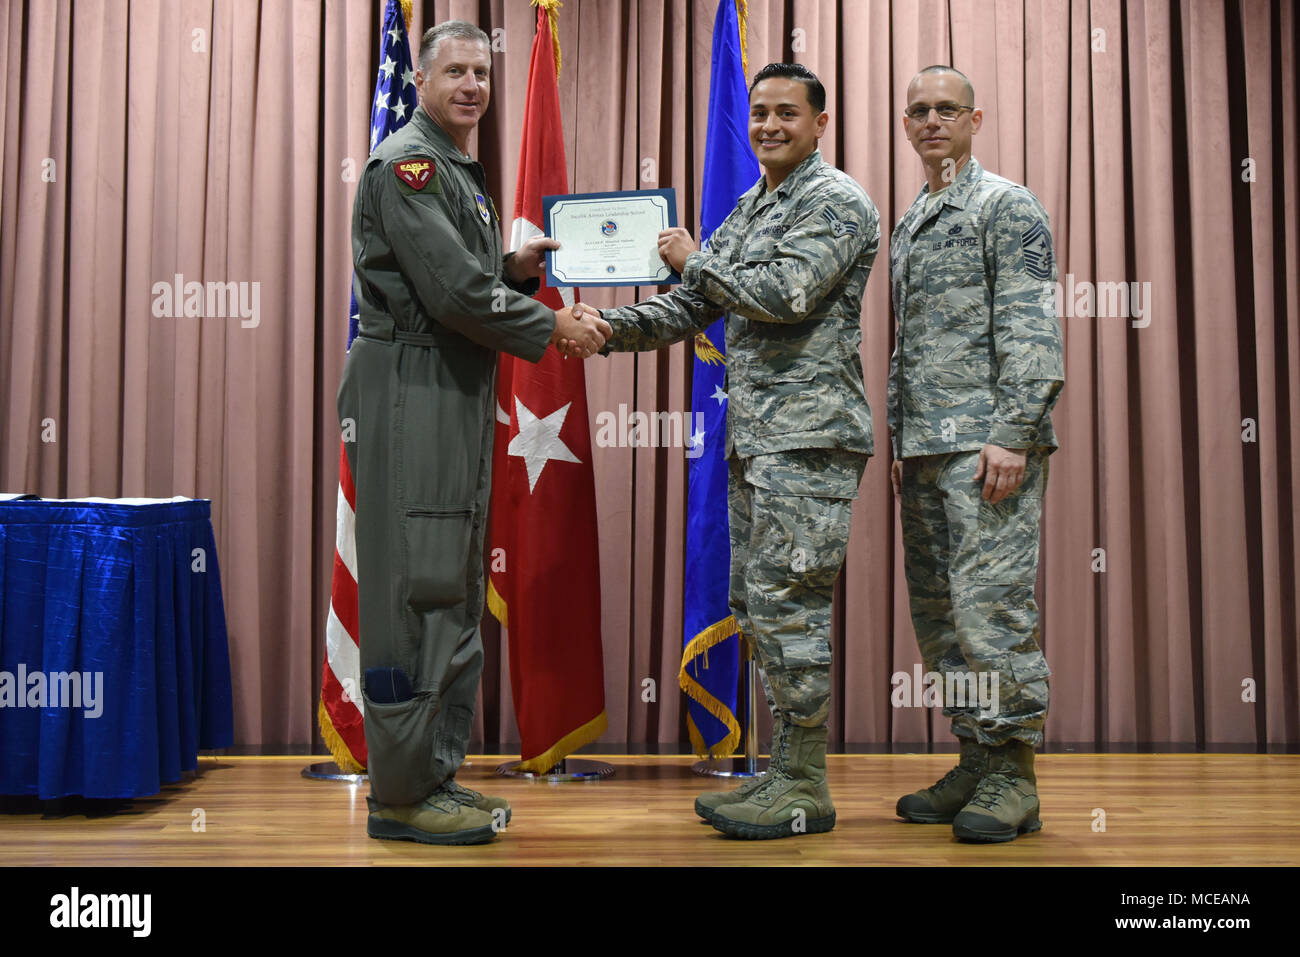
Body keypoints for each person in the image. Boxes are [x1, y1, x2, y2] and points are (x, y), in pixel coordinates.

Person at [568, 63, 878, 839]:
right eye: (761, 113)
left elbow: (783, 295)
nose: (770, 125)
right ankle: (783, 772)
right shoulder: (751, 205)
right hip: (759, 439)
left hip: (810, 438)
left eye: (786, 114)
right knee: (762, 606)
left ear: (819, 124)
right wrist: (608, 332)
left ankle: (805, 782)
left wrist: (693, 258)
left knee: (791, 606)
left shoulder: (836, 202)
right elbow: (694, 305)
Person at [338, 20, 609, 846]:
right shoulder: (410, 167)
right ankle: (401, 792)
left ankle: (434, 774)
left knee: (449, 579)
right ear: (421, 80)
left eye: (481, 73)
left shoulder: (460, 168)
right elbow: (452, 295)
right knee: (413, 587)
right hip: (411, 387)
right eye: (453, 71)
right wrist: (551, 324)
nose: (471, 86)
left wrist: (515, 272)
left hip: (450, 384)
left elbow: (461, 279)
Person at [887, 65, 1064, 842]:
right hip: (925, 450)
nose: (931, 121)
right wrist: (898, 439)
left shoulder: (1006, 204)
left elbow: (1031, 327)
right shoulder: (911, 218)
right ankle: (975, 755)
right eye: (918, 111)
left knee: (992, 615)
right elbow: (905, 347)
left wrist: (1013, 432)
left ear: (975, 119)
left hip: (987, 445)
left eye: (946, 110)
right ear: (906, 123)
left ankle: (1013, 775)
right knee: (943, 623)